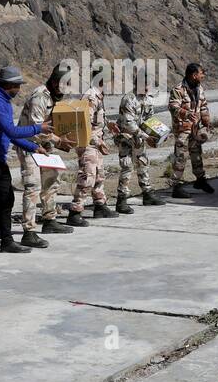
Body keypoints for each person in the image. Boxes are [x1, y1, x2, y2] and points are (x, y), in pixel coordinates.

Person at [0, 67, 53, 265]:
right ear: (8, 85)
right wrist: (38, 128)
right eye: (17, 85)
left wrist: (34, 147)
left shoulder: (3, 101)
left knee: (6, 199)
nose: (19, 89)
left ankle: (6, 241)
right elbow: (11, 130)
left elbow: (8, 134)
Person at [17, 66, 75, 248]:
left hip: (45, 145)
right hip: (28, 144)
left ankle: (49, 220)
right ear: (55, 82)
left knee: (52, 181)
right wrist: (59, 141)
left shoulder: (56, 97)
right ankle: (29, 231)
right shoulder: (39, 97)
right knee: (33, 186)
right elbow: (36, 129)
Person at [68, 83, 115, 226]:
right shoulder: (91, 96)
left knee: (99, 175)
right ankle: (75, 212)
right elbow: (84, 123)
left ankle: (100, 205)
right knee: (87, 177)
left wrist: (109, 125)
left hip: (95, 142)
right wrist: (97, 141)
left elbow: (96, 120)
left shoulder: (99, 96)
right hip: (88, 143)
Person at [116, 74, 165, 211]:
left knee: (143, 163)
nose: (148, 88)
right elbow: (129, 124)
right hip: (126, 138)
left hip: (139, 139)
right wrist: (146, 136)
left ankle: (147, 194)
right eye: (145, 85)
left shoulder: (148, 100)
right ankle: (121, 200)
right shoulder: (129, 100)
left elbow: (150, 120)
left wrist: (157, 134)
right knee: (127, 167)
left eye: (149, 85)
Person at [168, 62, 213, 198]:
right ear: (194, 75)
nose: (203, 76)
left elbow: (203, 105)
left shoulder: (199, 88)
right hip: (182, 130)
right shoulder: (178, 90)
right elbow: (172, 107)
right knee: (181, 157)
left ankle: (200, 180)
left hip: (195, 128)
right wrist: (186, 113)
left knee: (196, 154)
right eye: (201, 73)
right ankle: (176, 187)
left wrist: (206, 120)